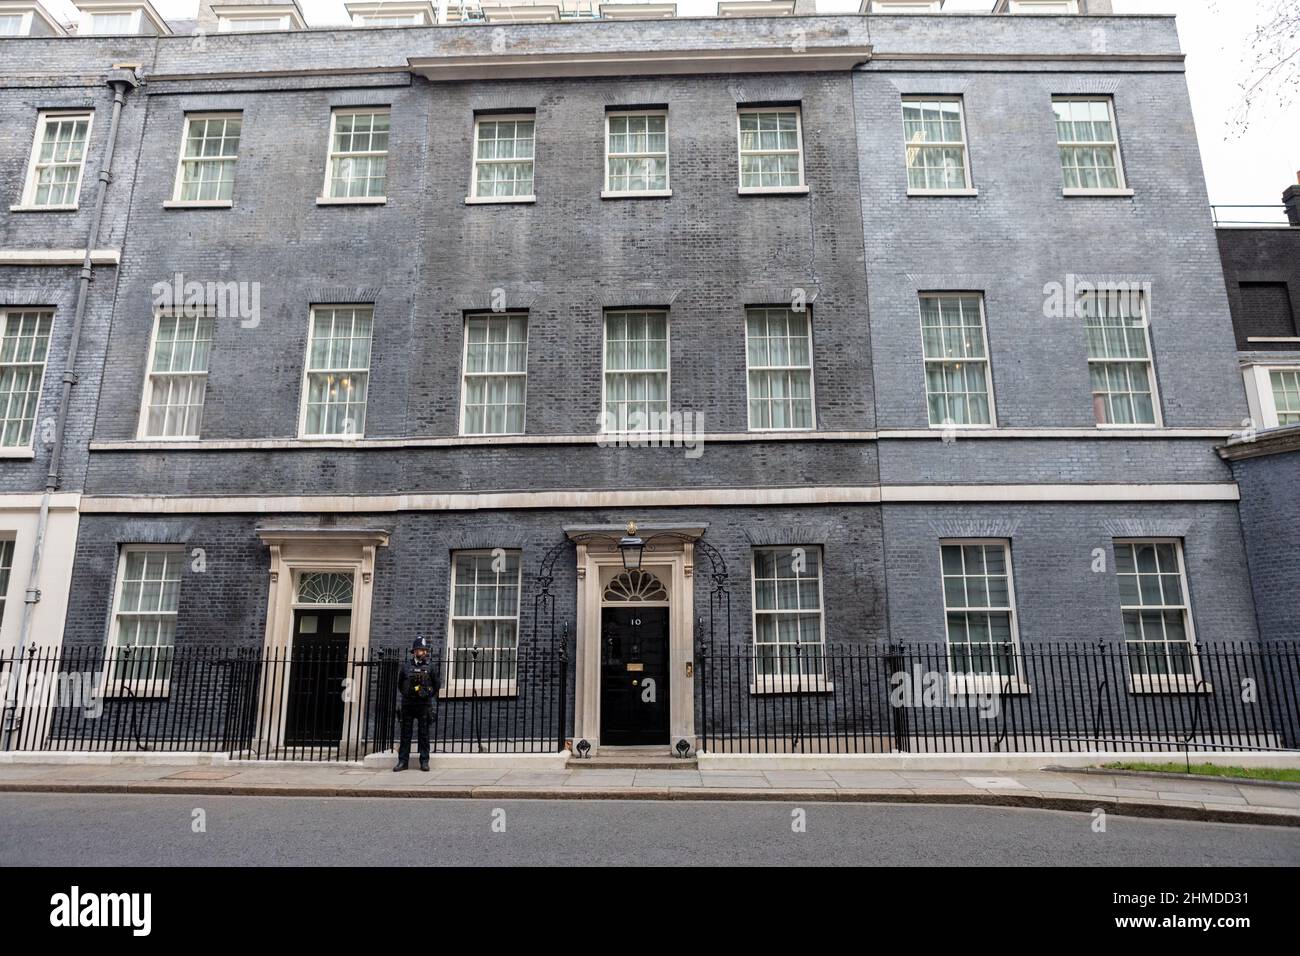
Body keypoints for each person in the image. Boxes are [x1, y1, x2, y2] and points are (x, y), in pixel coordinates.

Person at [394, 636, 439, 772]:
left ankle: (424, 761)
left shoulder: (430, 667)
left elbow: (437, 685)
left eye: (425, 650)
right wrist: (409, 693)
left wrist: (427, 694)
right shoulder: (406, 666)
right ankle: (403, 761)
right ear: (414, 651)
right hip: (408, 704)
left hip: (424, 705)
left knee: (424, 734)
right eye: (421, 650)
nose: (424, 652)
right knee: (405, 734)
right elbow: (400, 684)